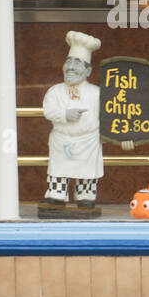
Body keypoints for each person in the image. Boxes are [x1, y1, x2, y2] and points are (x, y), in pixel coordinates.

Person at [42, 31, 103, 211]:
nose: (71, 67)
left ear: (88, 70)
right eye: (68, 62)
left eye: (77, 63)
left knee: (86, 173)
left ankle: (86, 196)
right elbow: (48, 111)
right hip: (61, 139)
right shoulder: (55, 91)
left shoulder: (97, 93)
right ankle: (57, 195)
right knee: (58, 171)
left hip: (89, 141)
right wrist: (65, 114)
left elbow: (109, 117)